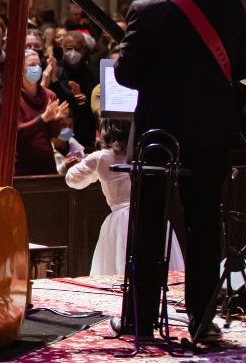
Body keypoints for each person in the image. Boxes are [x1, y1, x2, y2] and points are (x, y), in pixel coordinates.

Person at [114, 0, 246, 340]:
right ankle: (202, 319)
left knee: (149, 223)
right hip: (212, 135)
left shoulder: (146, 9)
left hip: (160, 136)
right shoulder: (229, 3)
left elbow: (127, 75)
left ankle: (140, 319)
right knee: (204, 224)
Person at [64, 118, 185, 277]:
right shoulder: (145, 153)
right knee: (155, 268)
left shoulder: (101, 158)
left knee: (120, 269)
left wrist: (80, 168)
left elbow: (72, 180)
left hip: (121, 220)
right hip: (151, 214)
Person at [15, 49, 68, 175]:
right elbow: (17, 133)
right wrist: (42, 119)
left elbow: (55, 136)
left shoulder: (50, 96)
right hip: (22, 165)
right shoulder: (13, 98)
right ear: (20, 69)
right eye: (32, 65)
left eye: (39, 65)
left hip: (46, 163)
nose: (37, 69)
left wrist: (56, 120)